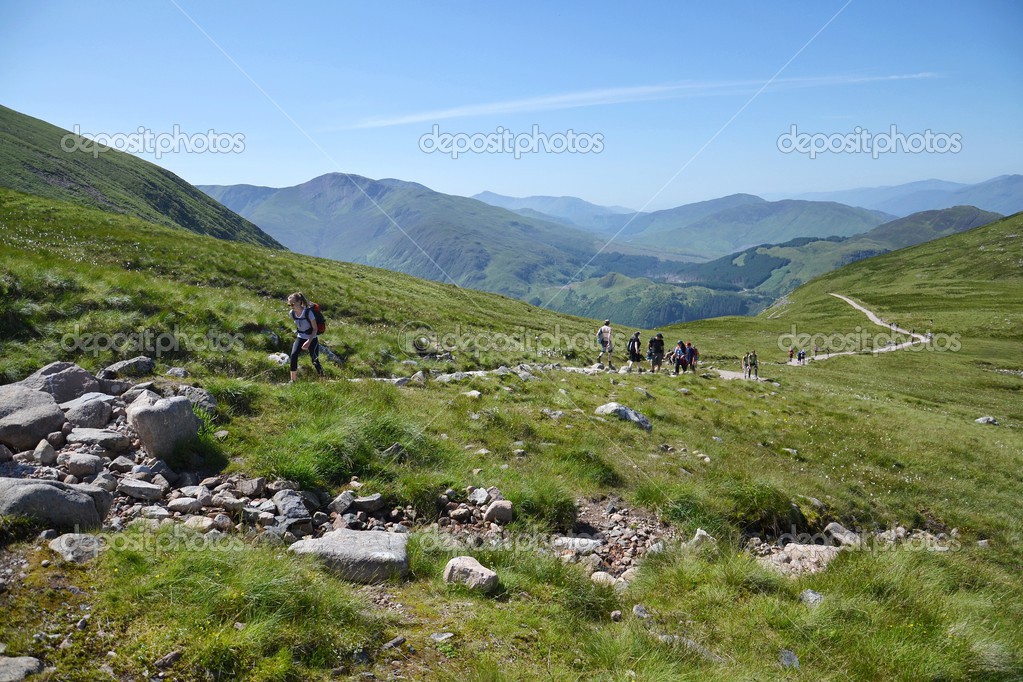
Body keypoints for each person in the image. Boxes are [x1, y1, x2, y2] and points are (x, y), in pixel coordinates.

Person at [287, 292, 324, 382]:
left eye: (293, 304)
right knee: (293, 355)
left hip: (312, 337)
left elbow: (315, 329)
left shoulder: (308, 313)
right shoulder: (292, 313)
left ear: (299, 302)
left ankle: (323, 379)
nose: (291, 306)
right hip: (300, 337)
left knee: (314, 359)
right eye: (289, 305)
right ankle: (293, 381)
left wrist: (309, 341)